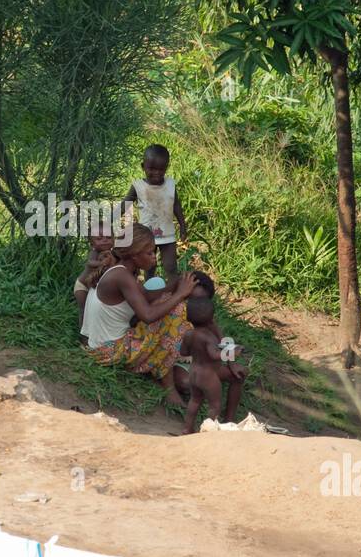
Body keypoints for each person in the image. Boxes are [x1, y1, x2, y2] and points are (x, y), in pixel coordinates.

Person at [81, 224, 198, 408]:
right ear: (135, 255)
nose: (154, 257)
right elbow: (148, 315)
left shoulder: (120, 270)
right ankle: (168, 387)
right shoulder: (121, 276)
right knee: (176, 312)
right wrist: (180, 294)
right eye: (150, 253)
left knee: (167, 301)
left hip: (100, 345)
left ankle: (163, 368)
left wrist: (172, 288)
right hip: (108, 351)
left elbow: (144, 294)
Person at [124, 144, 187, 284]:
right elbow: (126, 203)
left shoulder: (170, 184)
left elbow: (176, 205)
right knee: (149, 267)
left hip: (167, 234)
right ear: (143, 166)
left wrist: (183, 225)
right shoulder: (138, 186)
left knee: (170, 266)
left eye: (161, 169)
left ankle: (174, 293)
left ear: (167, 167)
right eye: (152, 169)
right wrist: (112, 218)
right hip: (147, 237)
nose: (157, 173)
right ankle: (149, 292)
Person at [182, 296, 244, 434]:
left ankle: (187, 428)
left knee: (194, 401)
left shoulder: (188, 334)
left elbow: (183, 351)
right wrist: (233, 352)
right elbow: (214, 355)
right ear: (211, 319)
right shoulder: (208, 337)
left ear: (188, 318)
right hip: (207, 374)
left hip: (194, 372)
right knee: (214, 405)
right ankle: (209, 432)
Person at [73, 222, 116, 319]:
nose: (105, 240)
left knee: (93, 310)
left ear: (114, 239)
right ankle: (83, 333)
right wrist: (102, 263)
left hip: (95, 287)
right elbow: (90, 263)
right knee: (84, 310)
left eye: (108, 237)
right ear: (92, 243)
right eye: (99, 239)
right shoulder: (95, 253)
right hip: (83, 287)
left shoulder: (113, 253)